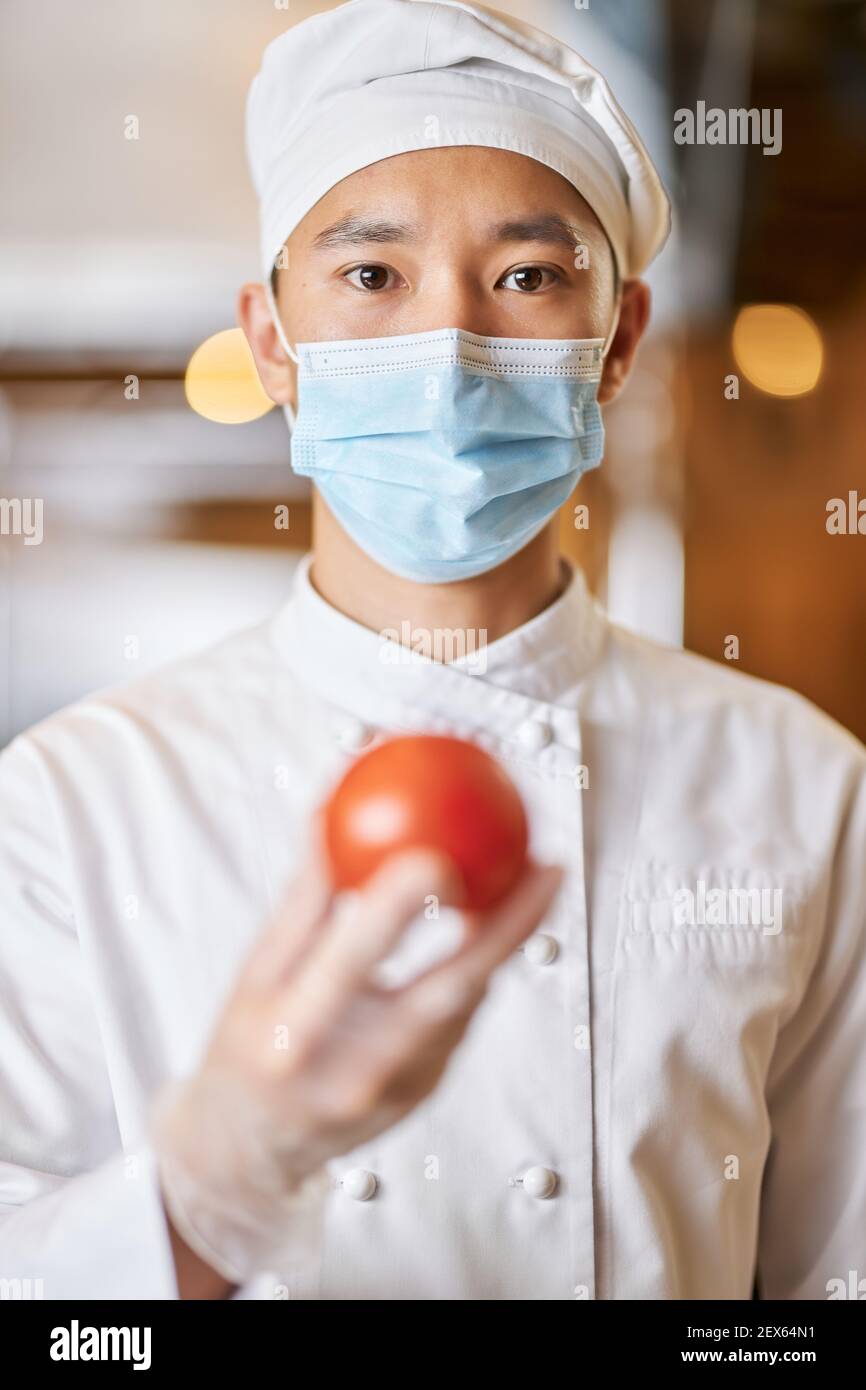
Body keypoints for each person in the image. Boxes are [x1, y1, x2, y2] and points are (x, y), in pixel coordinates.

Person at [1, 0, 864, 1302]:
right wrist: (208, 1186)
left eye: (526, 276)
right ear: (272, 341)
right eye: (370, 276)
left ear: (616, 342)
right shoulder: (70, 805)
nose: (448, 347)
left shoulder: (803, 788)